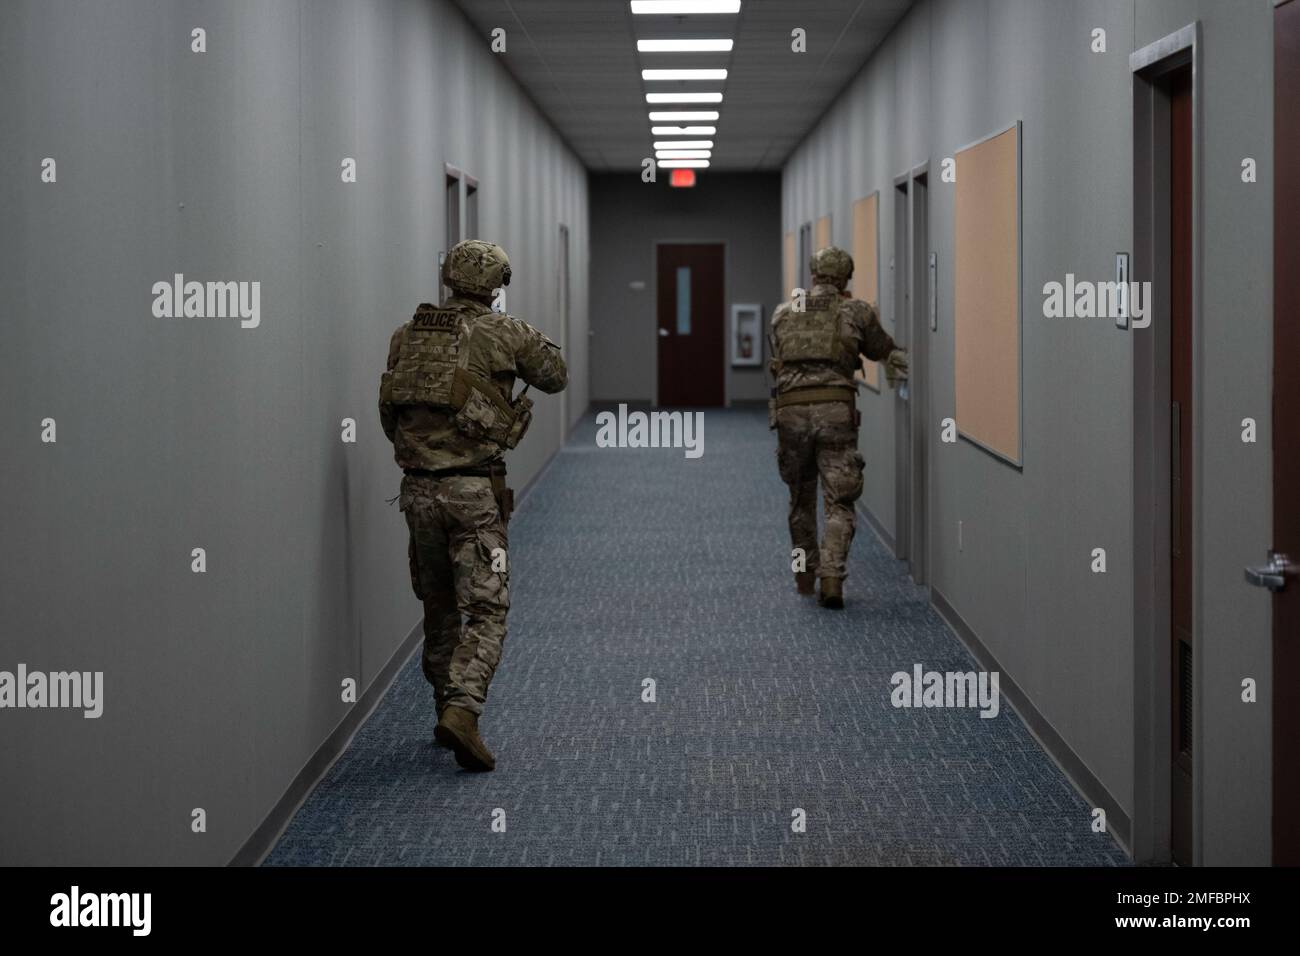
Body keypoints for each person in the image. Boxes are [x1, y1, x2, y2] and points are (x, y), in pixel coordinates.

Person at [380, 239, 567, 770]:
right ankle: (462, 710)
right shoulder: (504, 331)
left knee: (437, 607)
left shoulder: (408, 335)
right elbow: (556, 376)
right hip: (474, 495)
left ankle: (444, 707)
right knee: (487, 606)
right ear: (496, 285)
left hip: (416, 492)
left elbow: (389, 411)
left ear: (449, 277)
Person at [768, 246, 909, 608]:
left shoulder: (784, 313)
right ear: (846, 278)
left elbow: (778, 361)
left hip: (791, 413)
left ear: (812, 276)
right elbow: (883, 350)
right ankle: (832, 576)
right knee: (840, 500)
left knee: (800, 499)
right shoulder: (856, 311)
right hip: (836, 413)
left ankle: (804, 574)